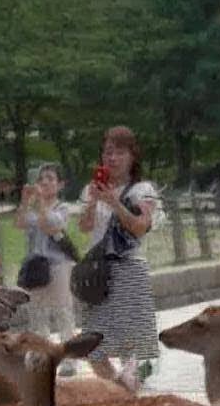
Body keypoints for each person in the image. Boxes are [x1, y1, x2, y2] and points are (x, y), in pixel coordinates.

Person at [78, 126, 161, 384]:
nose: (112, 158)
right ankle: (120, 390)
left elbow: (140, 227)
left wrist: (114, 203)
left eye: (120, 153)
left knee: (131, 348)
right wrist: (94, 201)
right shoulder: (92, 189)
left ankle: (131, 390)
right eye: (108, 152)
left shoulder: (142, 190)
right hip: (98, 273)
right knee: (93, 348)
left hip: (128, 269)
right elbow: (84, 227)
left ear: (132, 156)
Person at [15, 163, 78, 375]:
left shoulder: (63, 208)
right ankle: (40, 355)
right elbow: (20, 223)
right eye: (41, 178)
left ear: (60, 184)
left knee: (62, 312)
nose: (44, 182)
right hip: (35, 265)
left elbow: (49, 224)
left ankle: (68, 358)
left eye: (50, 178)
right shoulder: (34, 208)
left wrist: (40, 201)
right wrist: (25, 200)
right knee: (37, 312)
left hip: (58, 265)